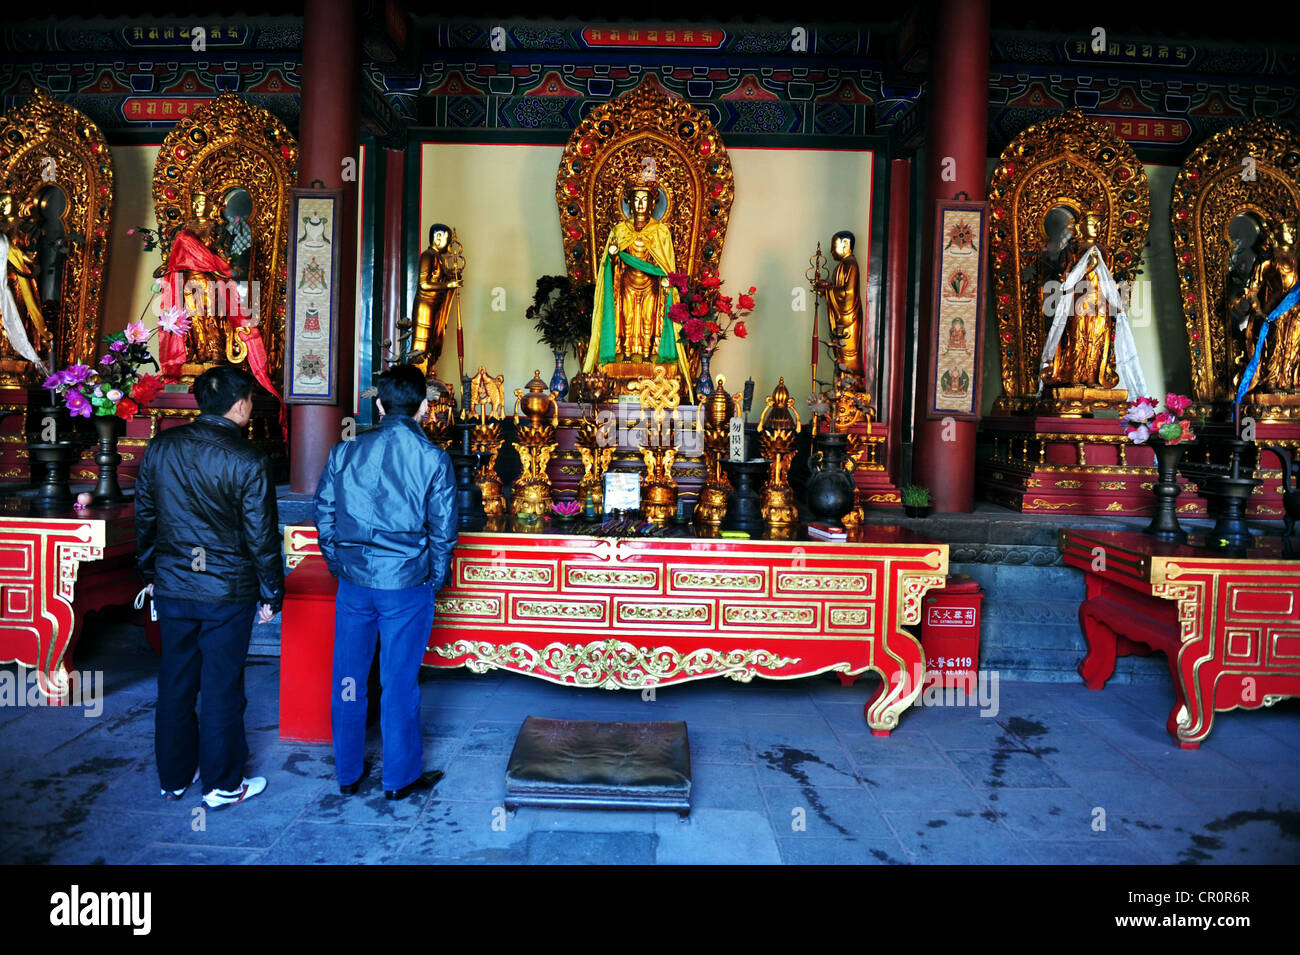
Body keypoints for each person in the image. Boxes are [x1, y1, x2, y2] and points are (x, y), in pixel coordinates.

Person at [135, 364, 283, 809]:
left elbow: (146, 517)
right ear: (240, 405)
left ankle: (175, 777)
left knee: (176, 680)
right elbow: (261, 535)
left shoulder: (161, 446)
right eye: (251, 401)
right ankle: (221, 784)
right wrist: (271, 591)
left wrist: (153, 572)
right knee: (222, 685)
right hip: (227, 591)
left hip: (175, 585)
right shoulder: (249, 458)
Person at [313, 363, 459, 799]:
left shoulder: (345, 450)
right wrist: (432, 578)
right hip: (406, 584)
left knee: (349, 679)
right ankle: (399, 779)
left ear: (378, 404)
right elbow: (443, 530)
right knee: (398, 682)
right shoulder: (433, 458)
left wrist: (340, 564)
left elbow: (324, 514)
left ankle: (347, 774)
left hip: (355, 582)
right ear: (425, 407)